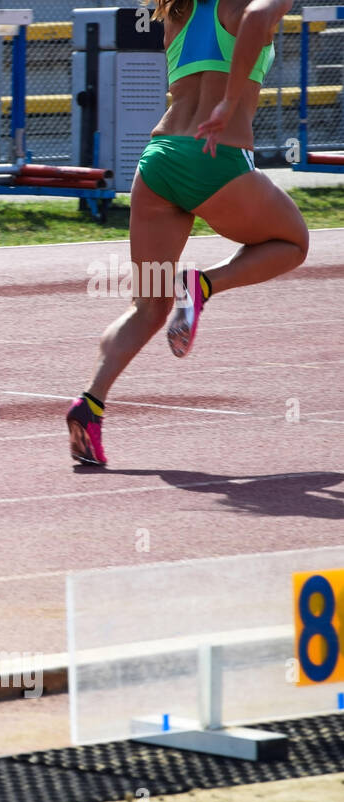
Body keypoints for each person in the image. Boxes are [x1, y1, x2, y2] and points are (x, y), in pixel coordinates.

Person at [66, 0, 308, 465]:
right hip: (215, 157)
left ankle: (90, 402)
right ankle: (204, 284)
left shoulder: (175, 9)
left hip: (158, 162)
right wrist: (230, 103)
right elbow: (258, 20)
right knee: (293, 243)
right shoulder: (243, 5)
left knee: (148, 307)